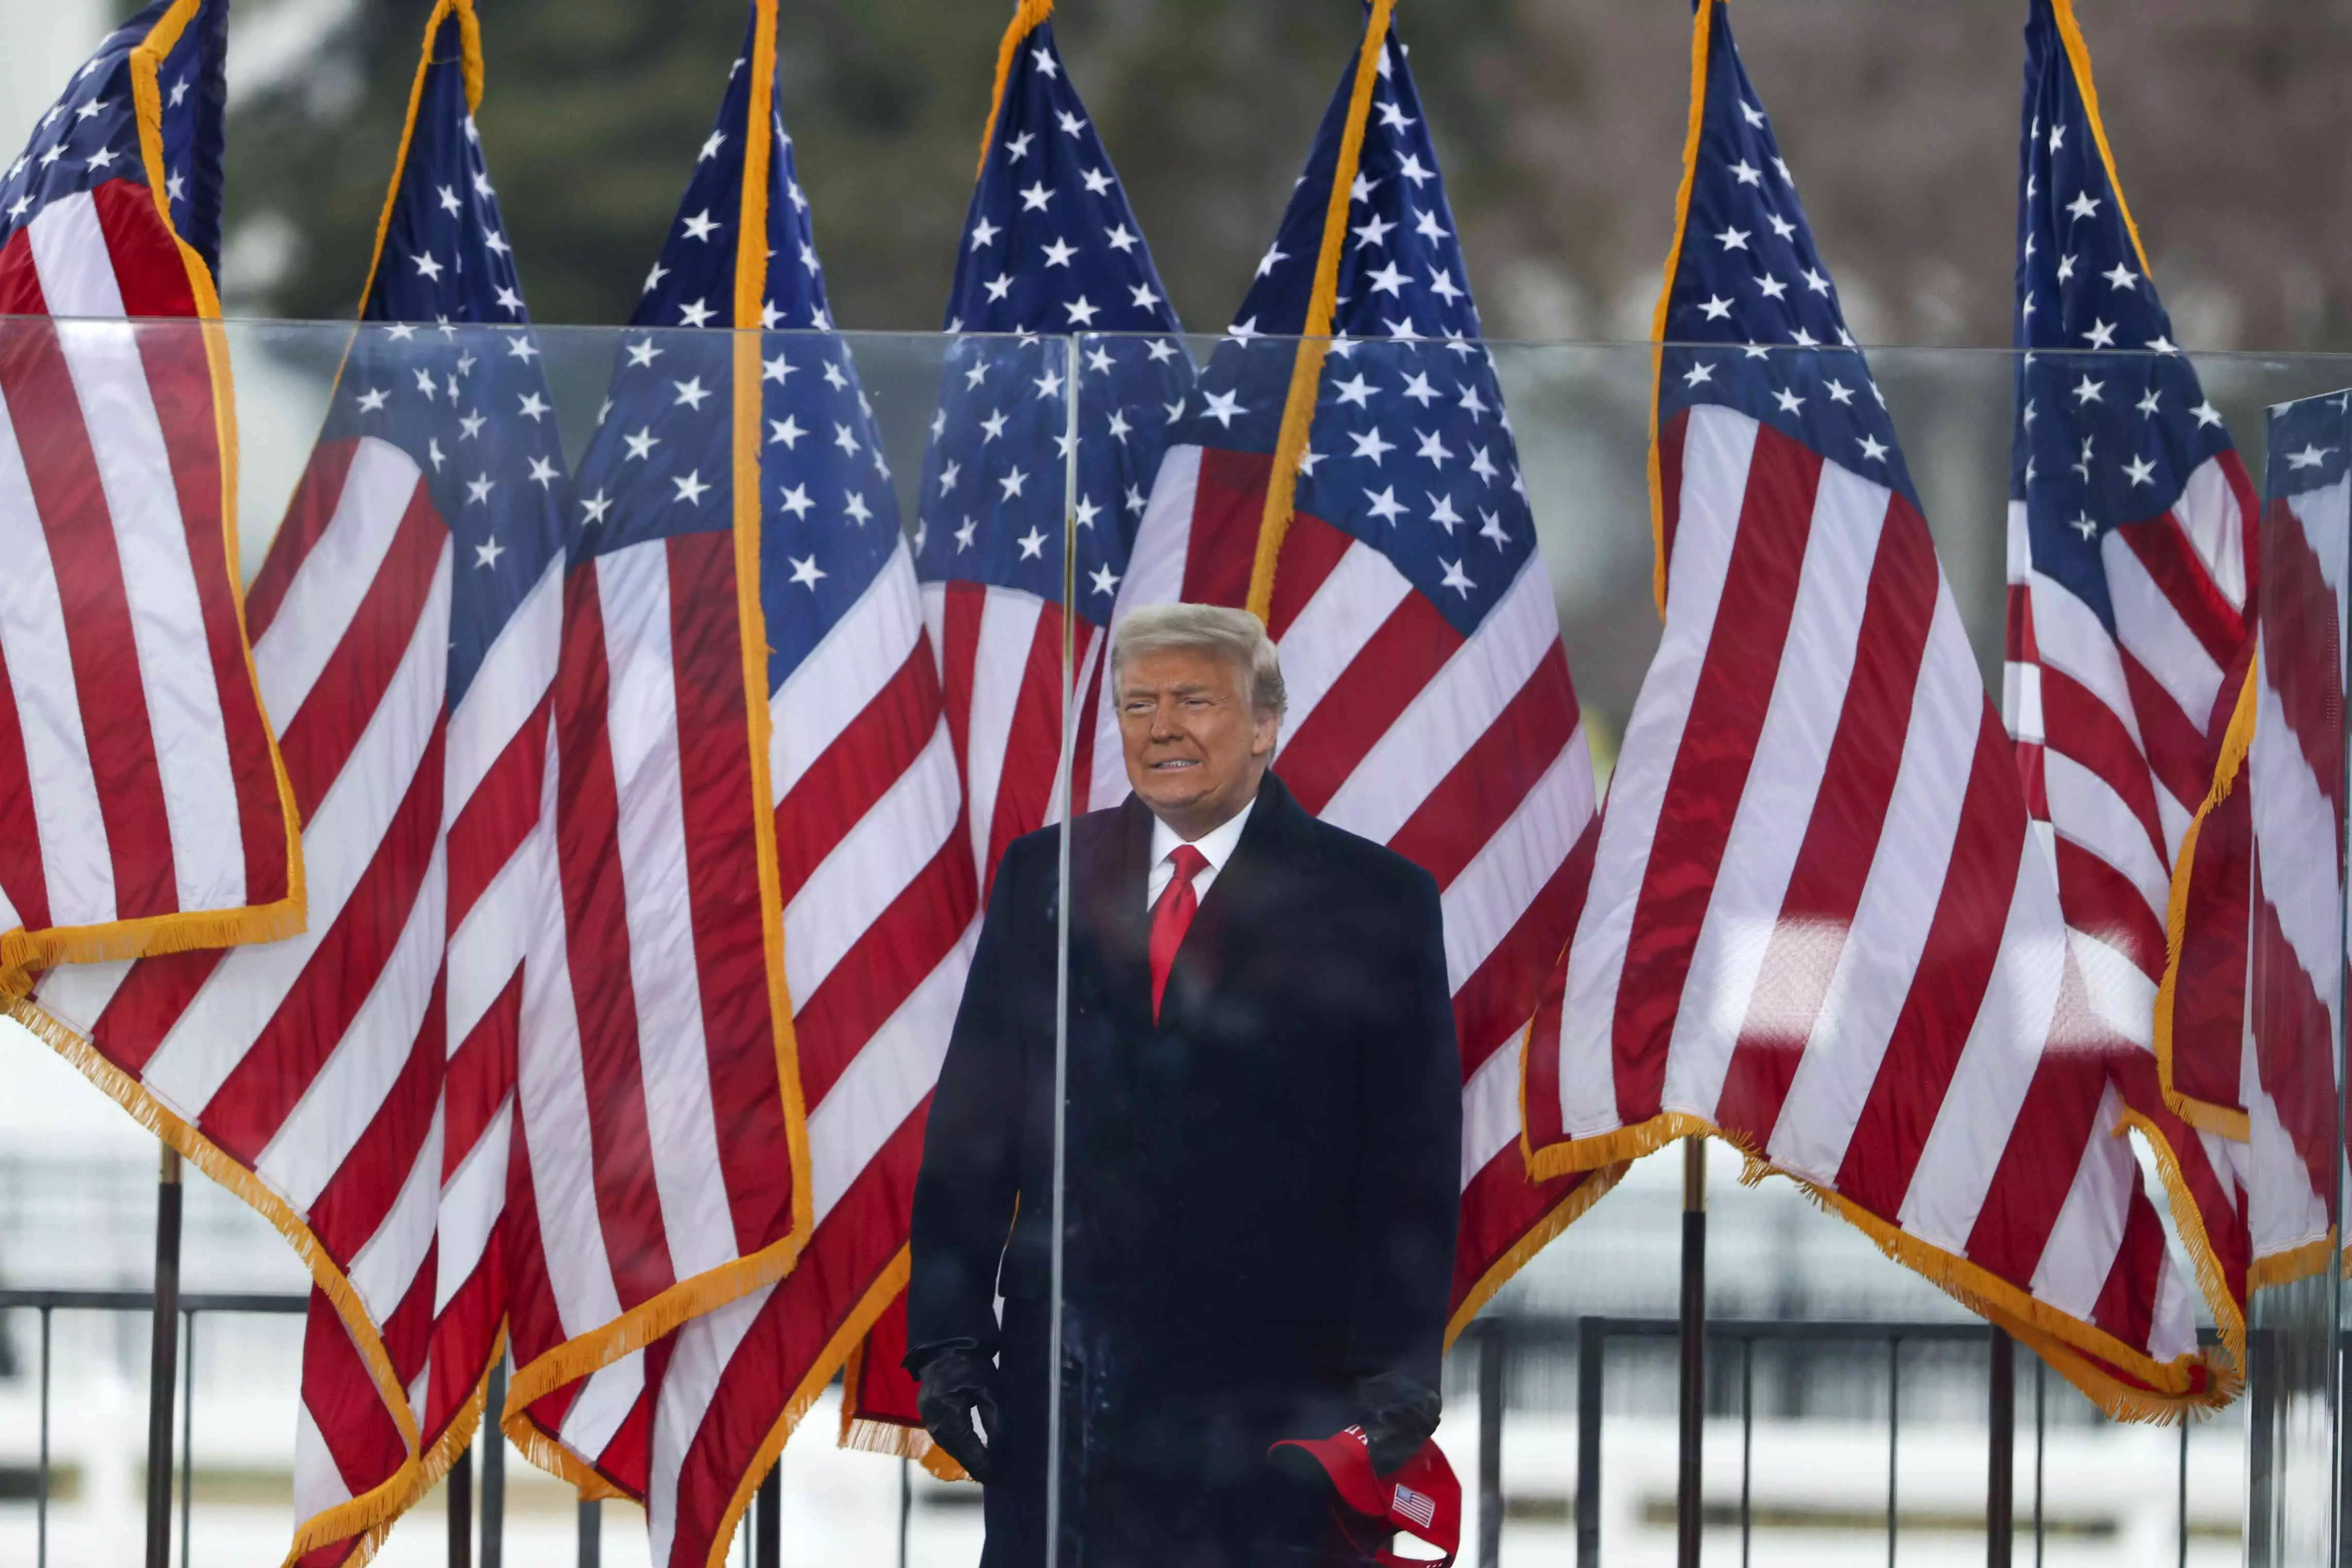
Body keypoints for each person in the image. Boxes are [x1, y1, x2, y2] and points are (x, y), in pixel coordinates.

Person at [906, 603, 1461, 1567]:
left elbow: (1408, 1163)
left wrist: (1399, 1379)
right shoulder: (1046, 877)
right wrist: (949, 1345)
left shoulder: (1375, 900)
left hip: (1278, 1406)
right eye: (1136, 705)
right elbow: (972, 1134)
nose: (1160, 727)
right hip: (1067, 1407)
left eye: (1194, 700)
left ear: (1263, 723)